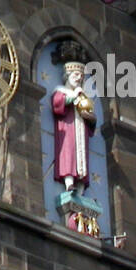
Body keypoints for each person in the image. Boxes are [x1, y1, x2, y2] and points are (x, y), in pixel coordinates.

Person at [52, 61, 97, 191]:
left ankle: (81, 187)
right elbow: (57, 103)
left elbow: (90, 115)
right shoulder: (61, 91)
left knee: (82, 157)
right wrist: (74, 95)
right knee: (69, 154)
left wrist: (91, 119)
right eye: (76, 75)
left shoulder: (83, 97)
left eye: (81, 76)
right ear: (68, 75)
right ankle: (69, 183)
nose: (79, 78)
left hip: (81, 130)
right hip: (68, 130)